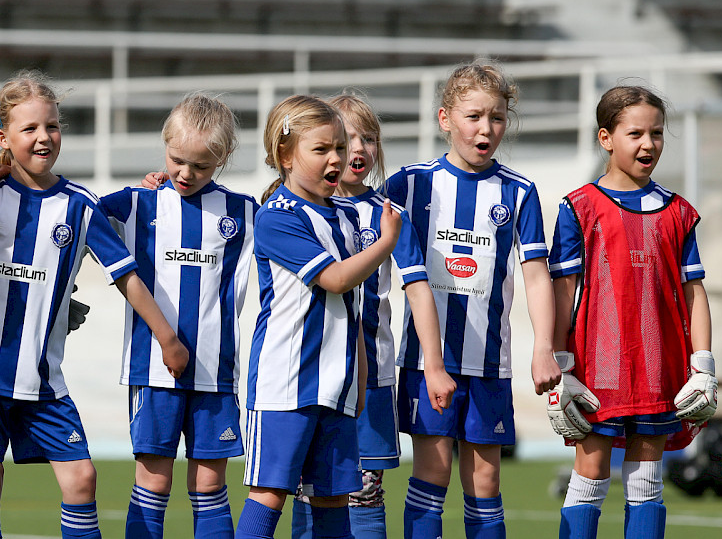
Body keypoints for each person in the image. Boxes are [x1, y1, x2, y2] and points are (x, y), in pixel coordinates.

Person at [0, 70, 188, 539]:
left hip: (44, 382)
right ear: (3, 138)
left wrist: (167, 337)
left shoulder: (79, 205)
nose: (44, 137)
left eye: (52, 126)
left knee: (82, 479)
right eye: (30, 128)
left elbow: (126, 275)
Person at [384, 62, 562, 539]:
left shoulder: (519, 192)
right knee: (432, 472)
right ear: (445, 118)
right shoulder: (410, 183)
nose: (486, 128)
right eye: (474, 116)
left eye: (497, 117)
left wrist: (543, 347)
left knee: (485, 481)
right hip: (427, 363)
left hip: (489, 364)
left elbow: (536, 276)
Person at [547, 85, 716, 539]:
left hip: (659, 369)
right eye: (635, 133)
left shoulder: (679, 211)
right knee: (590, 475)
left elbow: (694, 291)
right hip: (596, 370)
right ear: (606, 138)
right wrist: (560, 366)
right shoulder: (579, 207)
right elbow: (563, 292)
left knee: (646, 481)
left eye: (656, 133)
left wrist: (703, 365)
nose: (648, 144)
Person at [235, 95, 399, 539]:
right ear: (285, 155)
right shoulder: (278, 217)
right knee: (270, 494)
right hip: (286, 386)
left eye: (339, 148)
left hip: (337, 386)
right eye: (321, 149)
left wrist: (359, 377)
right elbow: (337, 280)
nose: (336, 158)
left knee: (332, 499)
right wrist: (385, 243)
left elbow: (353, 306)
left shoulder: (346, 217)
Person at [290, 95, 453, 539]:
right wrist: (160, 188)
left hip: (373, 376)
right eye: (347, 139)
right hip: (311, 375)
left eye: (370, 139)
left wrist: (434, 366)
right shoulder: (295, 208)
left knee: (365, 491)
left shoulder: (390, 216)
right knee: (309, 488)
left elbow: (417, 288)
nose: (359, 149)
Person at [100, 93, 255, 539]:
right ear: (164, 145)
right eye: (177, 160)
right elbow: (69, 209)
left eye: (201, 165)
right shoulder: (136, 203)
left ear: (223, 157)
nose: (186, 173)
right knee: (154, 481)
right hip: (153, 371)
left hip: (215, 373)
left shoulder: (244, 212)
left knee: (210, 486)